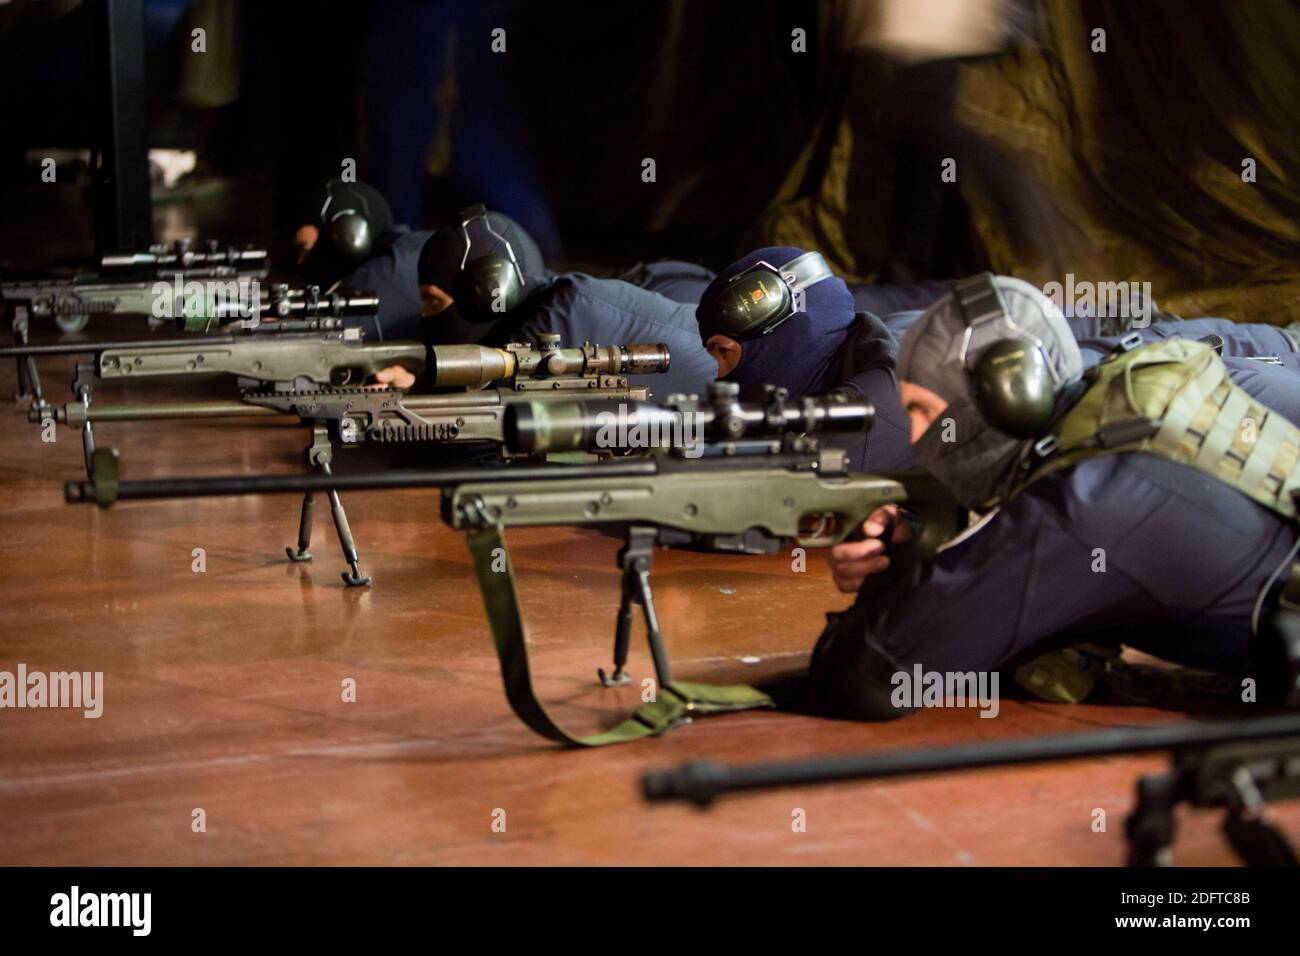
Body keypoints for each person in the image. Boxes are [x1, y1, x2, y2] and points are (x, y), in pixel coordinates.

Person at [813, 275, 1300, 719]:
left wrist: (887, 578)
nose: (917, 438)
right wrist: (918, 536)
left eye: (924, 411)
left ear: (1006, 397)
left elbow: (868, 679)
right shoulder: (1141, 391)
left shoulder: (1080, 507)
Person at [295, 178, 434, 340]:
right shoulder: (413, 247)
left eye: (304, 248)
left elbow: (314, 342)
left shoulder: (380, 279)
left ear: (349, 234)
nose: (300, 261)